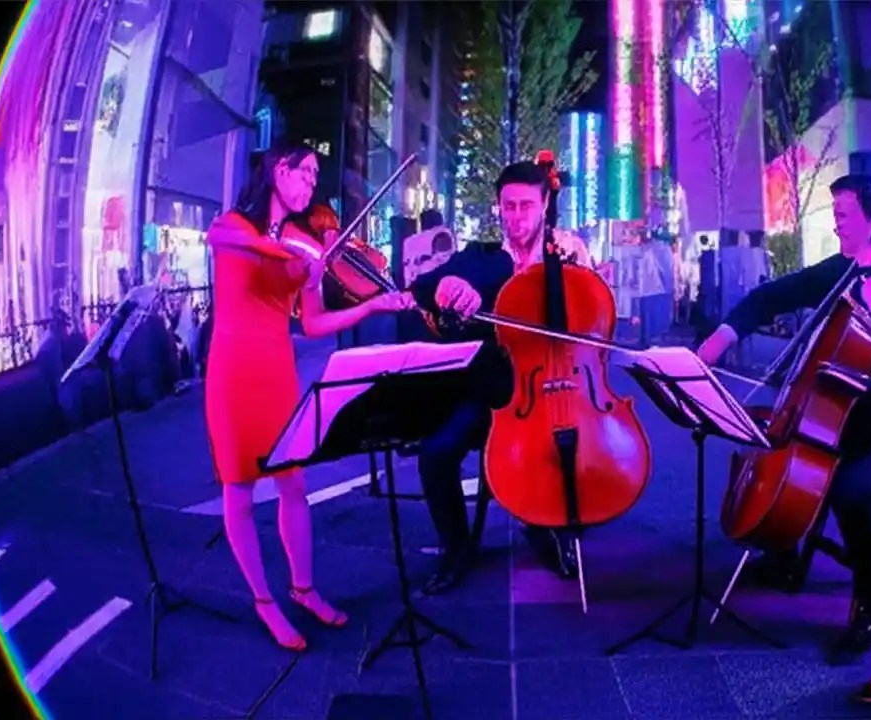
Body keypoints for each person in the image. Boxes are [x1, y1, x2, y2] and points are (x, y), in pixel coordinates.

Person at [696, 173, 871, 660]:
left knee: (853, 487)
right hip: (861, 418)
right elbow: (770, 298)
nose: (837, 225)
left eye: (844, 216)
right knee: (774, 436)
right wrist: (719, 342)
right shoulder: (847, 270)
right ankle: (782, 552)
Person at [204, 140, 412, 651]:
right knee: (239, 490)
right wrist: (304, 253)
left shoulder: (306, 243)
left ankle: (303, 589)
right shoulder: (234, 226)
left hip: (277, 371)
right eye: (305, 173)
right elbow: (239, 245)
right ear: (279, 169)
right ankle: (264, 601)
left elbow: (313, 323)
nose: (311, 185)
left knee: (293, 482)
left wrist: (369, 308)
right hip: (232, 371)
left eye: (316, 178)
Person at [404, 160, 594, 595]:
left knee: (572, 445)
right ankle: (457, 548)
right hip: (493, 397)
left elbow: (592, 318)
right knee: (435, 453)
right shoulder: (483, 259)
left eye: (527, 205)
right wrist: (448, 286)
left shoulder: (564, 256)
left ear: (546, 204)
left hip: (556, 391)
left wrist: (581, 270)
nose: (516, 216)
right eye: (508, 206)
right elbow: (424, 286)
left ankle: (556, 527)